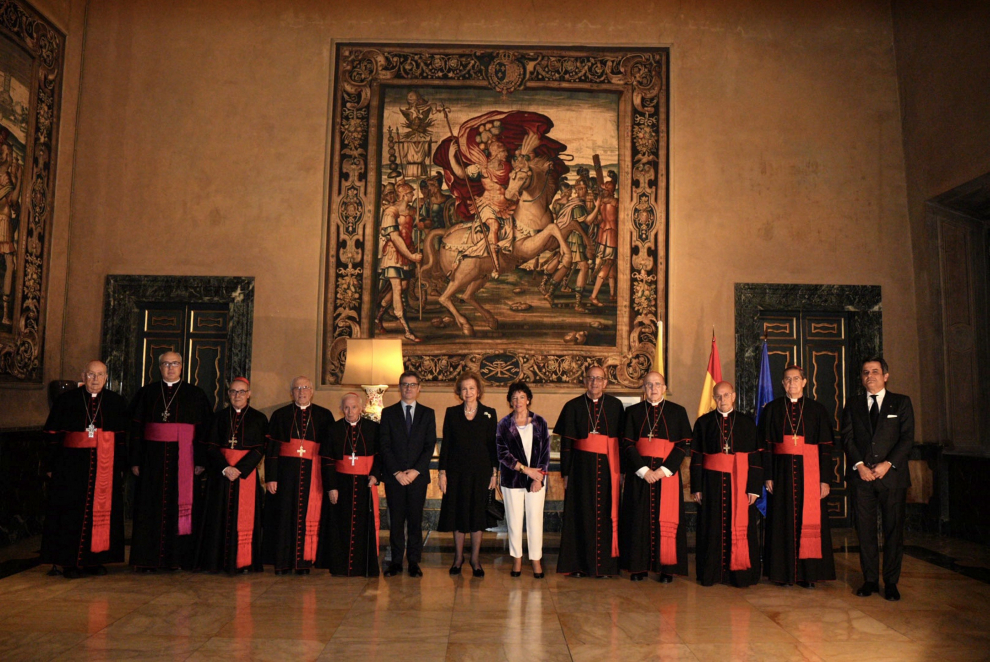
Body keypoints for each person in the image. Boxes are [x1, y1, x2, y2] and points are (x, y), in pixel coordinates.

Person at [41, 361, 128, 578]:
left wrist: (121, 467)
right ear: (83, 376)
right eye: (91, 374)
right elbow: (52, 436)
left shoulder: (116, 402)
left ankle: (94, 561)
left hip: (105, 467)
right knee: (70, 513)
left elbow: (123, 439)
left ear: (106, 378)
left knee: (101, 514)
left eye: (100, 375)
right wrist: (51, 465)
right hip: (71, 468)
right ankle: (69, 562)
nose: (95, 379)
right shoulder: (66, 400)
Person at [128, 352, 212, 571]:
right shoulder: (146, 393)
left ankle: (179, 559)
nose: (171, 367)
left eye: (175, 363)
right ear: (159, 367)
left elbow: (205, 432)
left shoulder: (196, 394)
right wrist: (135, 459)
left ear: (182, 367)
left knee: (181, 506)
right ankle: (148, 560)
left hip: (185, 459)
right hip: (151, 460)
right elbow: (135, 430)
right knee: (150, 508)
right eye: (166, 364)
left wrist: (201, 460)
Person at [842, 358, 915, 602]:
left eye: (875, 371)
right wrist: (860, 465)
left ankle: (891, 582)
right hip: (862, 478)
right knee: (865, 532)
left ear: (885, 376)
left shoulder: (901, 402)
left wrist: (887, 464)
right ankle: (870, 580)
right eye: (865, 372)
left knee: (893, 531)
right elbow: (847, 438)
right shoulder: (852, 404)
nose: (869, 376)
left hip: (892, 478)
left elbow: (907, 439)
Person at [761, 365, 836, 587]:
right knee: (781, 521)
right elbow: (765, 446)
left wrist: (825, 479)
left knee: (809, 520)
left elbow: (825, 448)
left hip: (810, 474)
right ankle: (783, 573)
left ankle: (808, 574)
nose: (791, 383)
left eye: (796, 379)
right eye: (787, 379)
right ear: (782, 384)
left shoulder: (817, 409)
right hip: (781, 474)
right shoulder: (772, 409)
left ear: (804, 382)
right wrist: (768, 475)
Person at [620, 371, 692, 582]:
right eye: (649, 384)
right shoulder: (632, 412)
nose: (653, 388)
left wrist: (663, 471)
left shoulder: (677, 411)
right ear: (643, 388)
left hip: (667, 475)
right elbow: (627, 444)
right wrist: (644, 471)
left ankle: (666, 569)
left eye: (657, 384)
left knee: (666, 521)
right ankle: (638, 567)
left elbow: (682, 446)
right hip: (639, 475)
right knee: (637, 519)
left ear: (664, 388)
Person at [690, 381, 763, 587]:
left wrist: (754, 488)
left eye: (726, 395)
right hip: (710, 484)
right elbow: (697, 457)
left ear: (734, 396)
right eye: (718, 396)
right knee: (711, 527)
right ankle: (711, 574)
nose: (722, 399)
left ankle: (740, 575)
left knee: (741, 527)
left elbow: (755, 458)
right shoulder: (703, 423)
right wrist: (697, 487)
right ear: (714, 399)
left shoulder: (747, 423)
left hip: (740, 484)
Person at [555, 365, 625, 577]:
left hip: (609, 470)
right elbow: (566, 444)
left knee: (606, 514)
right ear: (585, 381)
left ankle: (605, 567)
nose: (595, 382)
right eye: (591, 378)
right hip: (580, 471)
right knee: (580, 514)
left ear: (605, 382)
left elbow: (622, 442)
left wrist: (622, 471)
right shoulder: (573, 406)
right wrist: (566, 474)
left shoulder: (615, 405)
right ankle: (578, 565)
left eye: (599, 379)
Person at [263, 376, 334, 575]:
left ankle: (303, 562)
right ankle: (283, 562)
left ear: (312, 391)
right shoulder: (280, 415)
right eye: (297, 388)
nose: (301, 392)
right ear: (291, 392)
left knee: (308, 517)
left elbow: (329, 450)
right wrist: (271, 477)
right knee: (284, 516)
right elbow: (272, 450)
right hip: (285, 475)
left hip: (313, 475)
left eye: (305, 388)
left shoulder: (324, 415)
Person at [194, 377, 266, 574]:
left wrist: (239, 469)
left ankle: (244, 562)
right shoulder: (217, 418)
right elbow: (211, 447)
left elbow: (260, 448)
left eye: (241, 391)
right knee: (217, 517)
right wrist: (226, 468)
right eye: (233, 391)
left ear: (249, 394)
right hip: (221, 476)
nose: (237, 395)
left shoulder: (259, 418)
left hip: (245, 475)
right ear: (228, 394)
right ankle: (215, 561)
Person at [438, 371, 498, 577]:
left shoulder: (489, 413)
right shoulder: (452, 413)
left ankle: (475, 559)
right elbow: (446, 445)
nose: (468, 392)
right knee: (458, 514)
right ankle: (458, 558)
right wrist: (442, 473)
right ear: (459, 392)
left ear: (478, 391)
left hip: (481, 473)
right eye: (464, 388)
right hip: (456, 473)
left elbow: (492, 446)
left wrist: (494, 473)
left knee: (477, 515)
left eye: (472, 388)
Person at [378, 370, 437, 577]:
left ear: (419, 388)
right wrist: (397, 472)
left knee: (415, 521)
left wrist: (415, 471)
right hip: (394, 478)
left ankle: (413, 561)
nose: (408, 388)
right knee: (395, 521)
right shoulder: (388, 413)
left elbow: (429, 446)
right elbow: (384, 445)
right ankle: (395, 562)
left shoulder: (427, 414)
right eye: (405, 384)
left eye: (412, 385)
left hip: (417, 478)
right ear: (399, 388)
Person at [318, 393, 382, 577]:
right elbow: (328, 460)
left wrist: (375, 475)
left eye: (354, 407)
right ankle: (340, 566)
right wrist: (331, 487)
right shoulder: (333, 429)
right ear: (341, 409)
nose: (350, 411)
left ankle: (364, 567)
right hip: (341, 484)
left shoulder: (373, 428)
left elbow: (380, 455)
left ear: (361, 408)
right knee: (341, 526)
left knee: (363, 526)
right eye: (346, 407)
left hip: (365, 484)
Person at [496, 382, 550, 578]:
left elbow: (545, 452)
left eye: (521, 397)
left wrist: (539, 477)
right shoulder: (503, 424)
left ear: (528, 399)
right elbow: (503, 454)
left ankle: (536, 559)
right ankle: (517, 558)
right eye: (514, 398)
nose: (518, 401)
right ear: (510, 401)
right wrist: (526, 470)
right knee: (514, 520)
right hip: (512, 479)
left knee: (535, 520)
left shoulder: (540, 422)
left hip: (537, 480)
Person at [376, 181, 423, 342]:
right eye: (410, 193)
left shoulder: (411, 210)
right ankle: (407, 330)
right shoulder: (391, 212)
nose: (413, 195)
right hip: (394, 253)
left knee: (402, 287)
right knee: (396, 288)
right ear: (403, 195)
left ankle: (378, 316)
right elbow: (395, 238)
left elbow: (417, 225)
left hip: (407, 252)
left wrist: (423, 223)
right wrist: (412, 256)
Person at [588, 179, 618, 307]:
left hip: (603, 234)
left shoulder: (601, 203)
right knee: (609, 263)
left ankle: (612, 294)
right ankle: (594, 295)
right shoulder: (616, 202)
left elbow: (599, 219)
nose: (603, 192)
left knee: (611, 263)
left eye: (605, 190)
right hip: (611, 235)